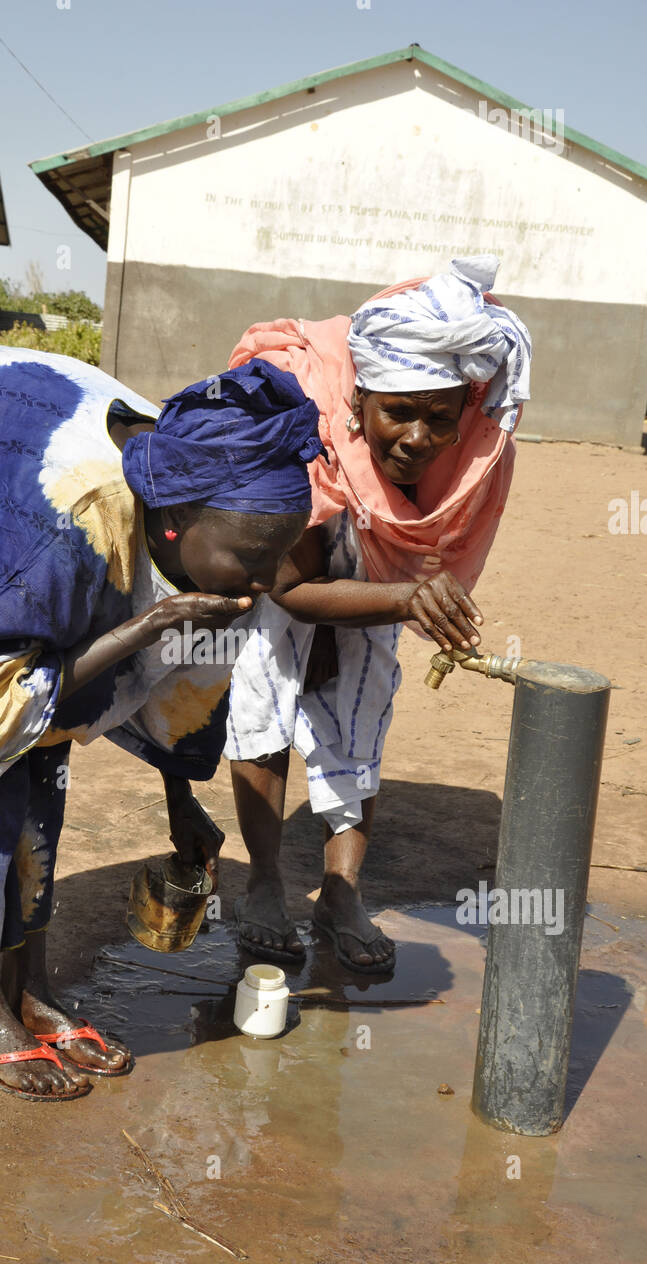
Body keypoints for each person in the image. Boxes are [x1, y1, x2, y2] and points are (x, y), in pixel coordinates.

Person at [0, 344, 319, 1099]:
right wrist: (144, 627)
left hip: (47, 478)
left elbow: (173, 695)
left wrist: (184, 808)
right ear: (173, 526)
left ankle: (30, 987)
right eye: (254, 557)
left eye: (281, 554)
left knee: (49, 759)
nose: (271, 580)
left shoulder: (215, 537)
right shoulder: (72, 518)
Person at [225, 255, 532, 973]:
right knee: (263, 708)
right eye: (399, 412)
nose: (417, 439)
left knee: (359, 722)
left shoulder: (466, 467)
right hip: (286, 584)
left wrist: (392, 601)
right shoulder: (310, 441)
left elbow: (412, 567)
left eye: (439, 419)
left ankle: (340, 893)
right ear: (360, 402)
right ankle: (265, 882)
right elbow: (288, 585)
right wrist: (400, 597)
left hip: (372, 587)